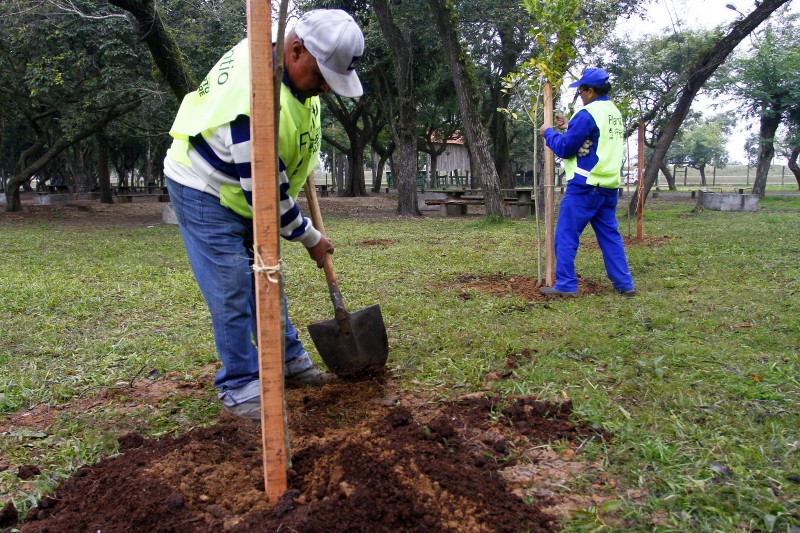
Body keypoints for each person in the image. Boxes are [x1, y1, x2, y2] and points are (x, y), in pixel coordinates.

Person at [162, 9, 365, 419]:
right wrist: (311, 238)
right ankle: (238, 383)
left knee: (268, 273)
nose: (326, 87)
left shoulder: (291, 76)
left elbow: (280, 166)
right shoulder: (253, 98)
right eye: (323, 75)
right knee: (233, 284)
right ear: (295, 50)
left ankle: (287, 359)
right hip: (205, 186)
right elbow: (266, 198)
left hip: (249, 184)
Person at [539, 68, 635, 298]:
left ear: (590, 91)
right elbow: (596, 137)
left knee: (565, 234)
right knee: (610, 236)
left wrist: (549, 132)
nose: (580, 94)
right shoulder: (614, 113)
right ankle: (624, 284)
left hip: (584, 186)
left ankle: (565, 285)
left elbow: (564, 148)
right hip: (609, 187)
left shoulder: (588, 113)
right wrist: (569, 127)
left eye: (581, 90)